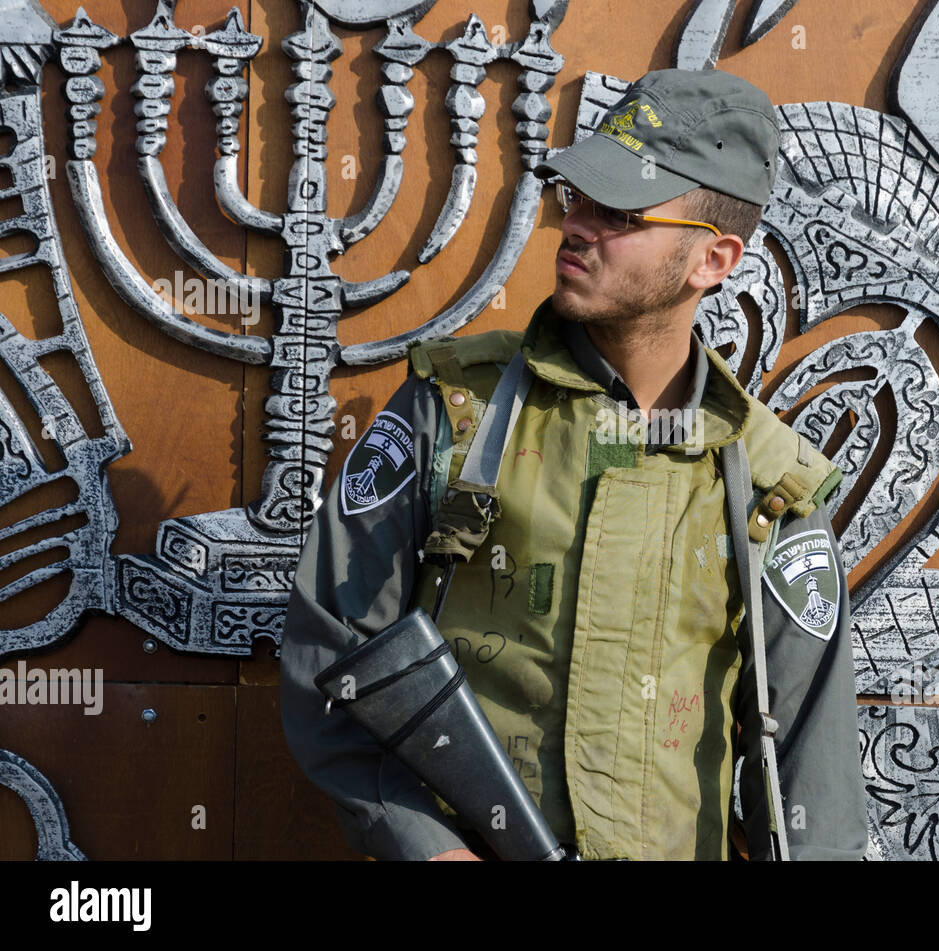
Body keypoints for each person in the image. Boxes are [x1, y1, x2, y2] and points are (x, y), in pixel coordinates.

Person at [280, 67, 871, 861]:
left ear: (713, 260)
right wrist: (430, 850)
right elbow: (333, 651)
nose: (578, 227)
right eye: (578, 199)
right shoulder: (453, 411)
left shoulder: (774, 484)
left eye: (620, 212)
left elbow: (813, 779)